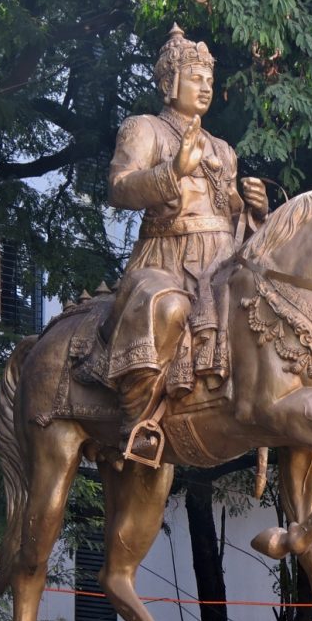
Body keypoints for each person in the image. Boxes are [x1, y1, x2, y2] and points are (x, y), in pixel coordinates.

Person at [102, 23, 268, 461]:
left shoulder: (223, 149)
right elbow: (120, 188)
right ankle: (135, 418)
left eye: (210, 80)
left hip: (220, 259)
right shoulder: (144, 129)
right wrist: (172, 170)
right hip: (166, 256)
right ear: (168, 81)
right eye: (196, 78)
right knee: (169, 308)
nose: (205, 87)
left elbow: (228, 211)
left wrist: (254, 210)